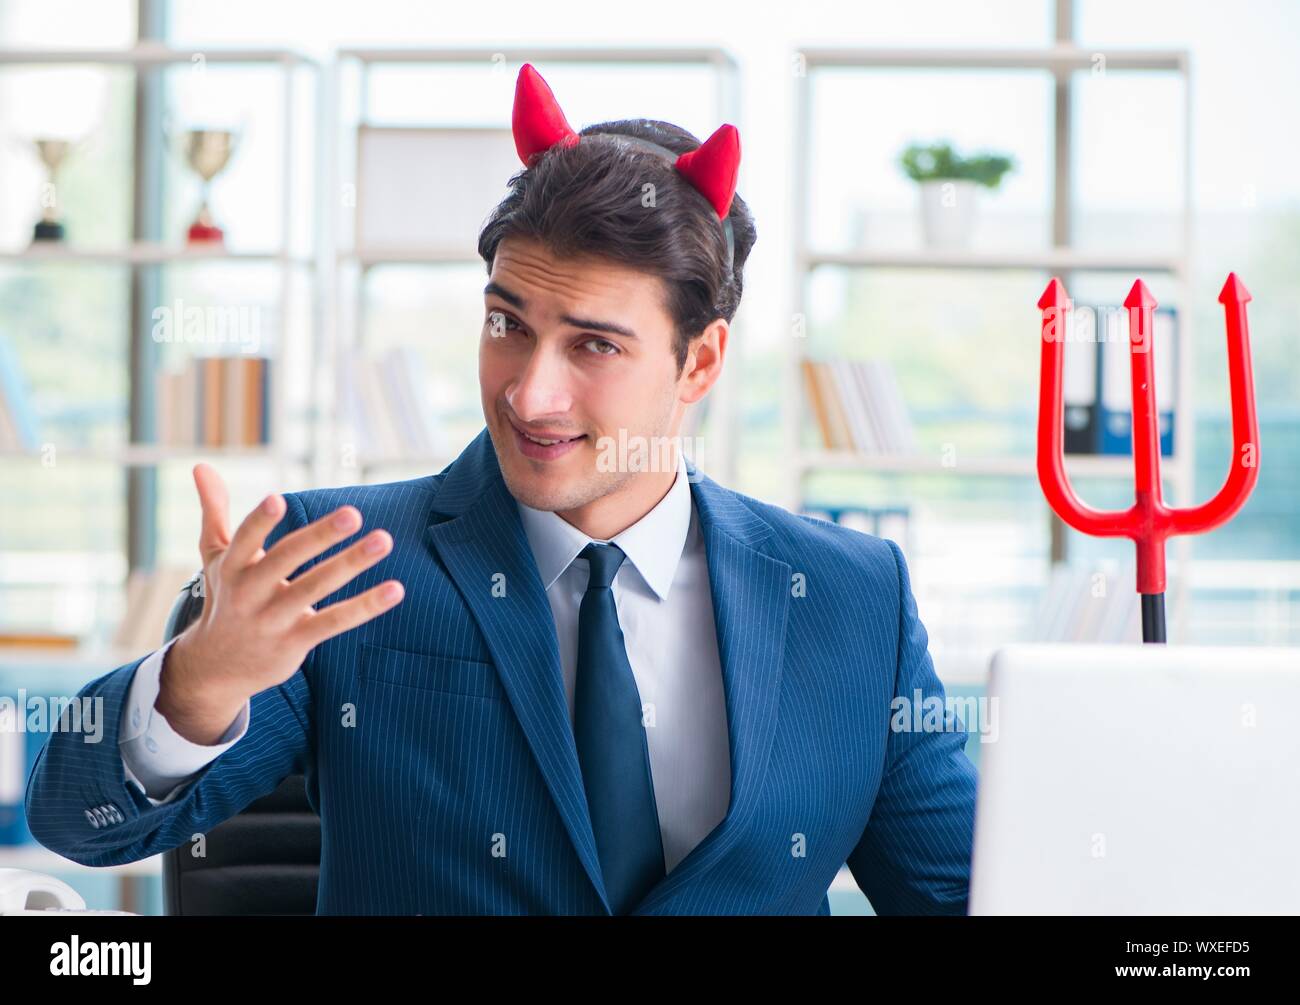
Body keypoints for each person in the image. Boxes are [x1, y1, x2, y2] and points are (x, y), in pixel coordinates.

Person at [25, 64, 977, 915]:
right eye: (507, 323)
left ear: (701, 361)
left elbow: (965, 895)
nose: (530, 392)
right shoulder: (336, 558)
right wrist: (199, 680)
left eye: (594, 344)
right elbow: (80, 819)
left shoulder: (852, 600)